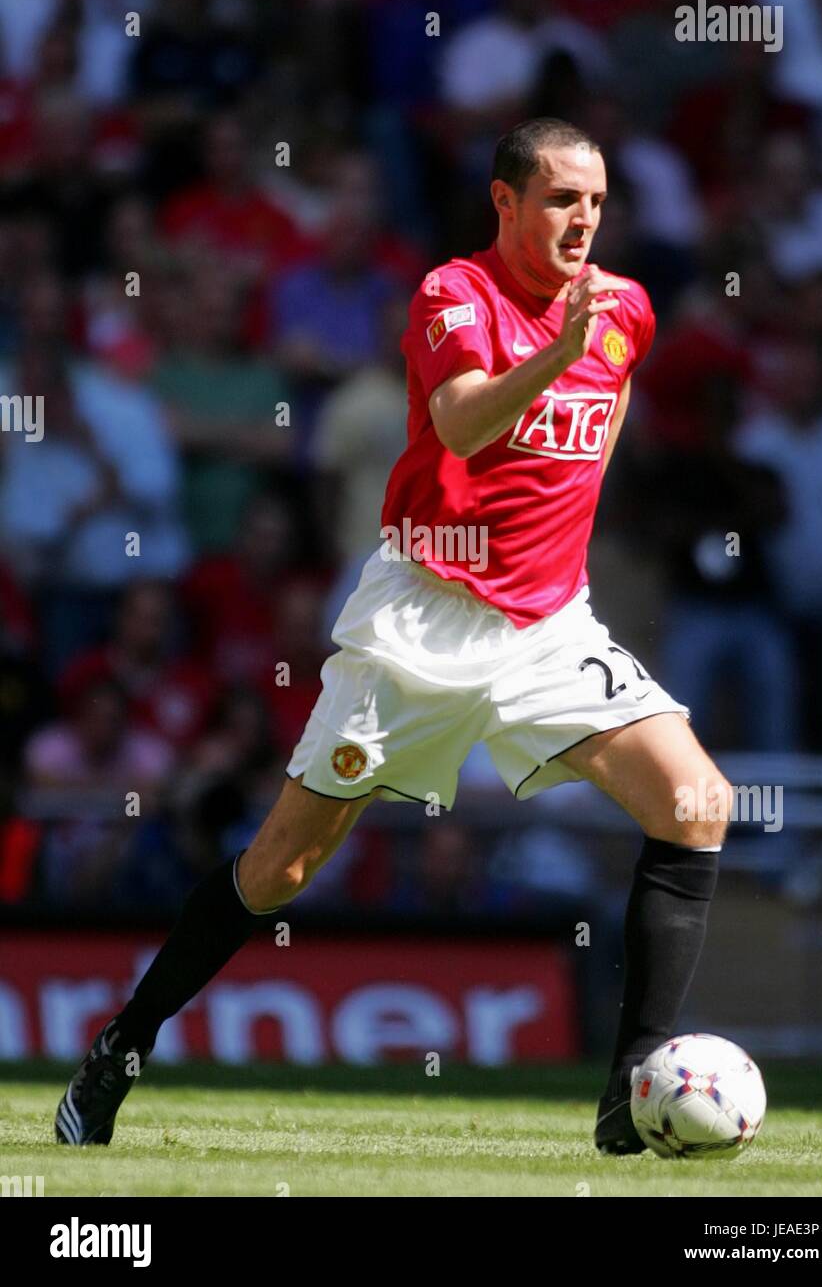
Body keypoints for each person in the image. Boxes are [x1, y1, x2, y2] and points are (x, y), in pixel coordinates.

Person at [55, 117, 732, 1156]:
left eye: (593, 201)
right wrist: (553, 352)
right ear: (504, 204)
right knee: (281, 868)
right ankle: (119, 1049)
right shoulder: (450, 295)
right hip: (421, 619)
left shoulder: (625, 312)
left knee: (694, 802)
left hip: (547, 625)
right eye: (558, 199)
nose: (580, 220)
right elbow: (460, 424)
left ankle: (626, 1094)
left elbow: (592, 441)